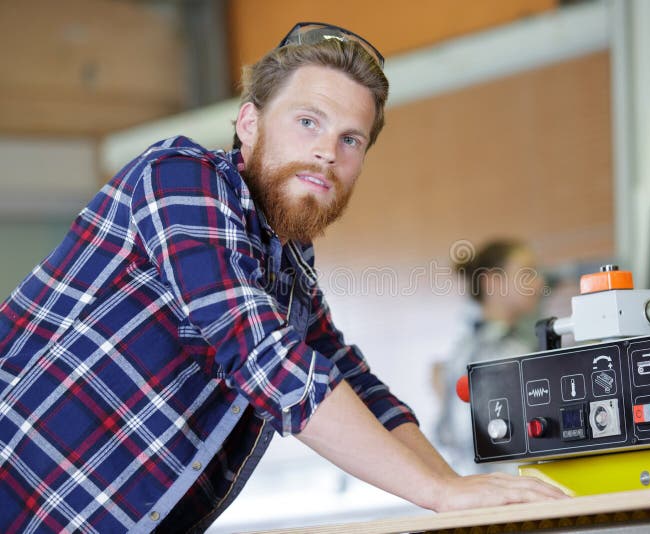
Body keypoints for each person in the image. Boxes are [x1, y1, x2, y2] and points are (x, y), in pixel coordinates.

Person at [0, 22, 566, 533]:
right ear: (248, 122)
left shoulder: (288, 268)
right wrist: (440, 493)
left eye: (352, 139)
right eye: (307, 122)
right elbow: (261, 354)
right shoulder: (177, 180)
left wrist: (459, 489)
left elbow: (355, 384)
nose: (327, 153)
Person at [433, 239, 544, 473]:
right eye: (527, 273)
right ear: (493, 282)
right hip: (505, 490)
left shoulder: (471, 347)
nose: (538, 282)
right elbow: (467, 437)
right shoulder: (491, 352)